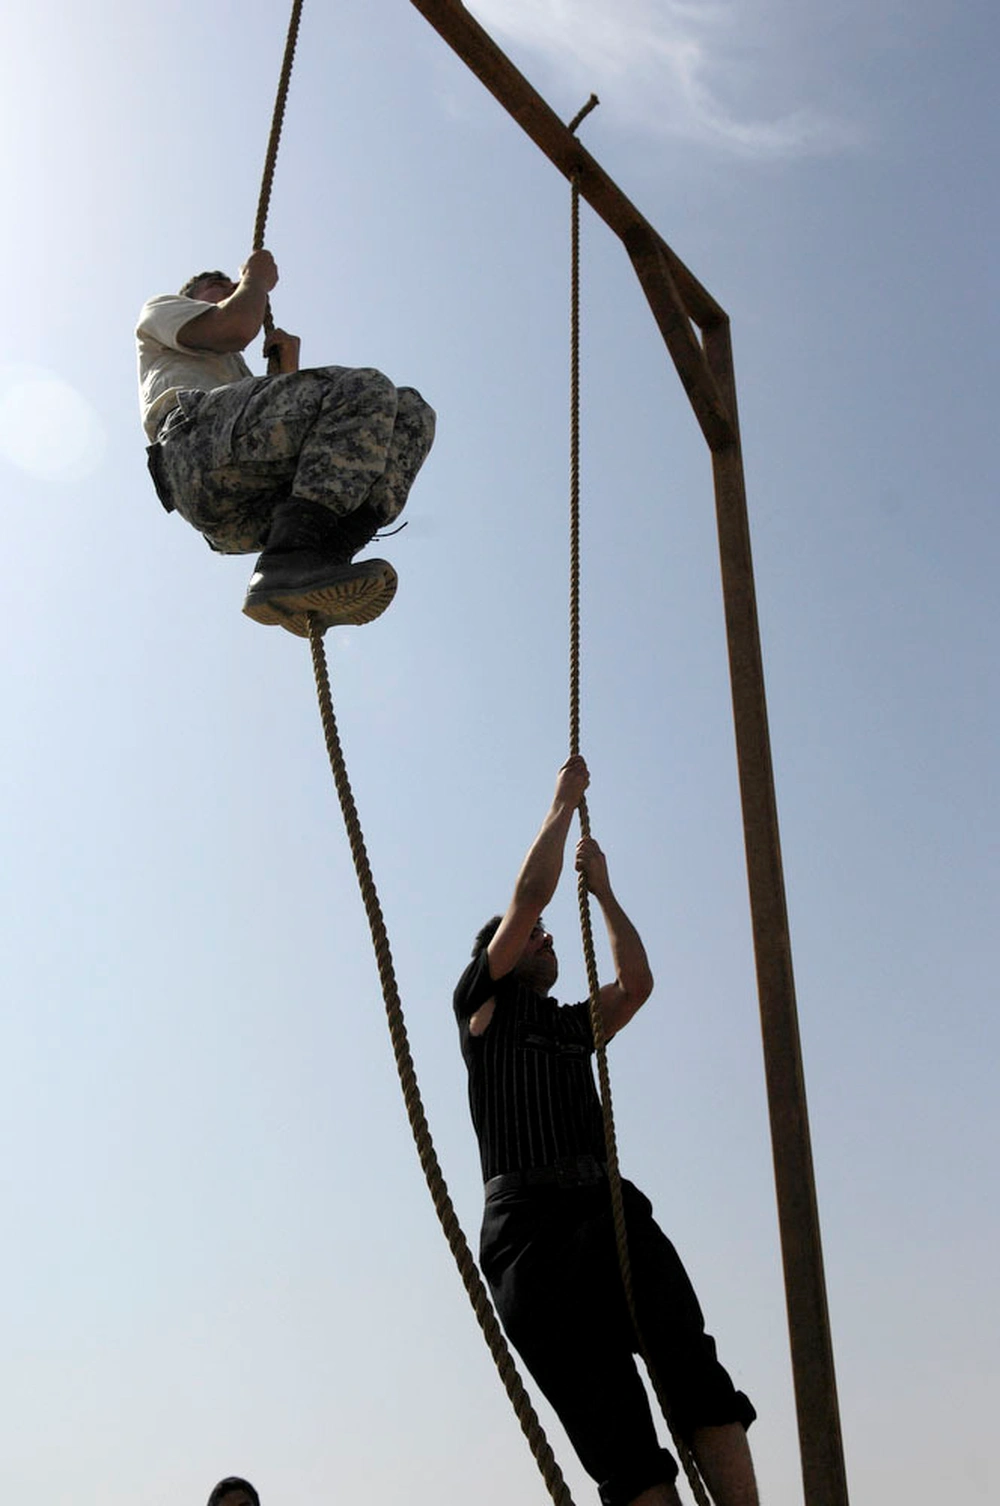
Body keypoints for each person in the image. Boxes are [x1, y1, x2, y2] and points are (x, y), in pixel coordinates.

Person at [453, 756, 759, 1506]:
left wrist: (609, 896)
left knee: (693, 1371)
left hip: (603, 1210)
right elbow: (527, 897)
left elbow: (636, 987)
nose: (547, 938)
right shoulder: (481, 1011)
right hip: (529, 1240)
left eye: (551, 934)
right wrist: (561, 807)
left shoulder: (567, 1027)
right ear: (498, 956)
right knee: (619, 1436)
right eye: (534, 939)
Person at [136, 250, 436, 636]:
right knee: (364, 387)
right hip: (193, 448)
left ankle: (317, 558)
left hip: (241, 511)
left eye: (233, 285)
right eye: (217, 287)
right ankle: (292, 558)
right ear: (192, 296)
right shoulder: (163, 311)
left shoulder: (235, 373)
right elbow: (235, 327)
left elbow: (289, 442)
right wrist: (255, 280)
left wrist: (284, 371)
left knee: (412, 413)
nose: (230, 289)